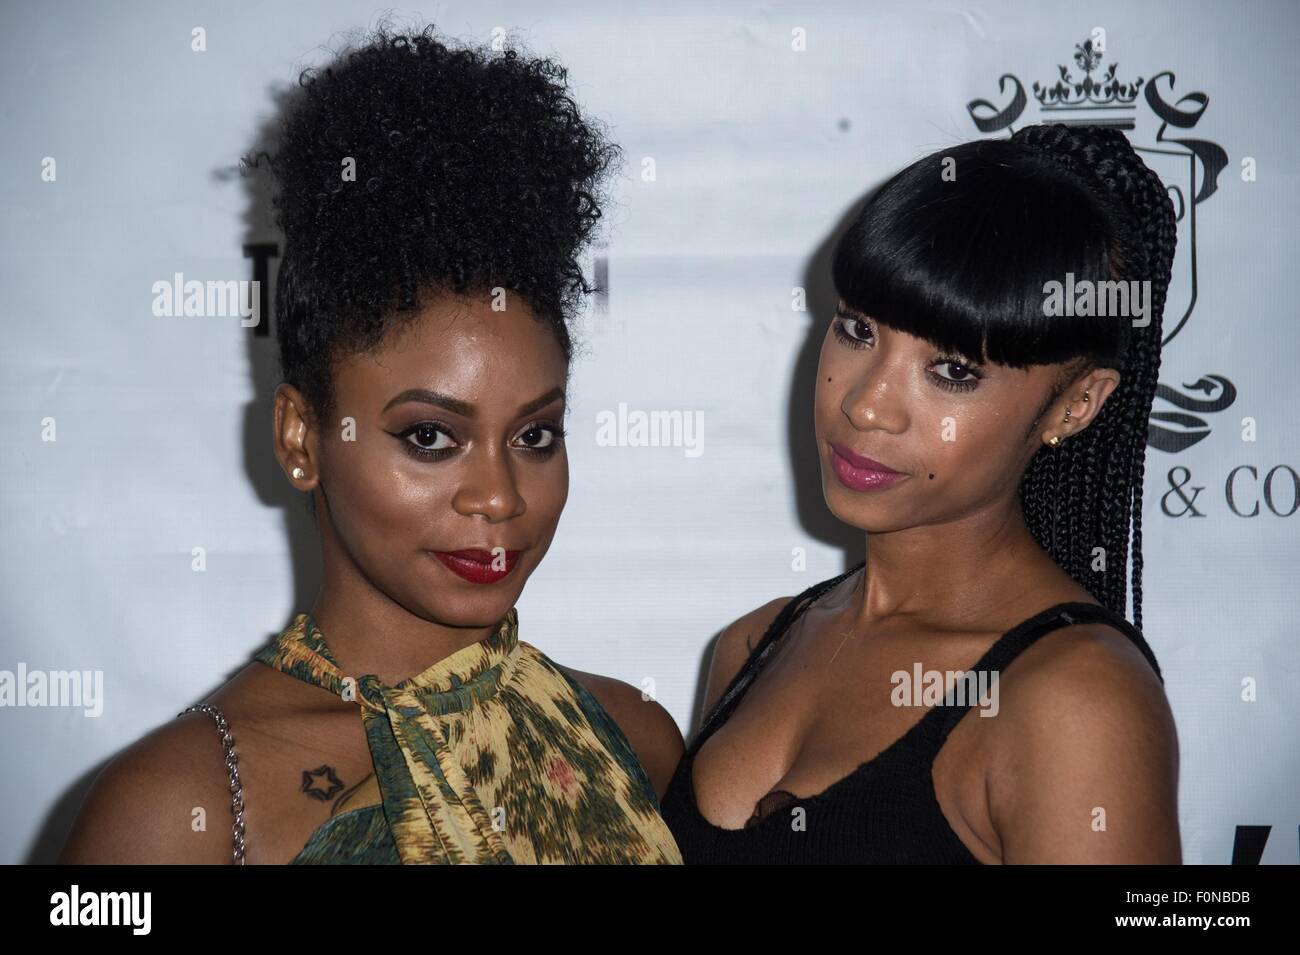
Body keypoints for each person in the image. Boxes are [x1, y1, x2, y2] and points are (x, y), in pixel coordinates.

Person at [61, 24, 683, 864]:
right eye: (431, 436)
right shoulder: (177, 811)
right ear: (300, 436)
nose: (498, 496)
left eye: (536, 434)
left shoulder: (635, 743)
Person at [659, 124, 1182, 863]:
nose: (867, 405)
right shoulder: (754, 645)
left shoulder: (1076, 698)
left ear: (1076, 403)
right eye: (857, 329)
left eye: (953, 371)